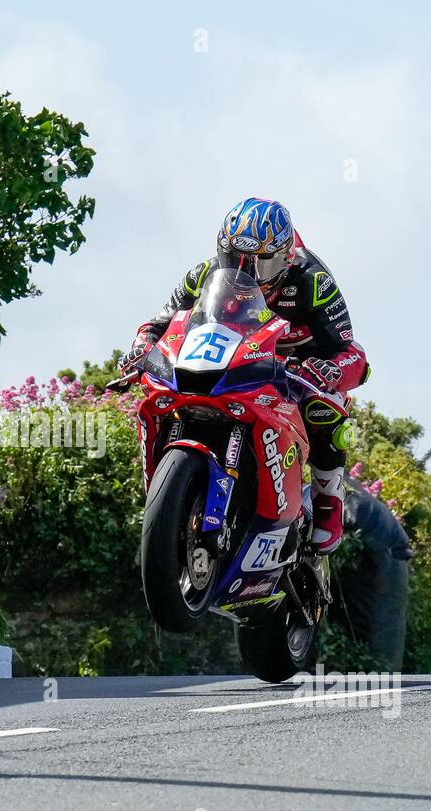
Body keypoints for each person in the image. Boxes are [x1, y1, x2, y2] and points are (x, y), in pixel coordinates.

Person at [121, 197, 370, 553]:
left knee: (323, 408)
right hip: (233, 357)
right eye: (235, 258)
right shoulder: (203, 275)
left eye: (261, 263)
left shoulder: (313, 282)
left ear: (284, 257)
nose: (248, 272)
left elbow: (353, 353)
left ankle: (328, 497)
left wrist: (328, 369)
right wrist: (142, 346)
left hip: (297, 364)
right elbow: (157, 324)